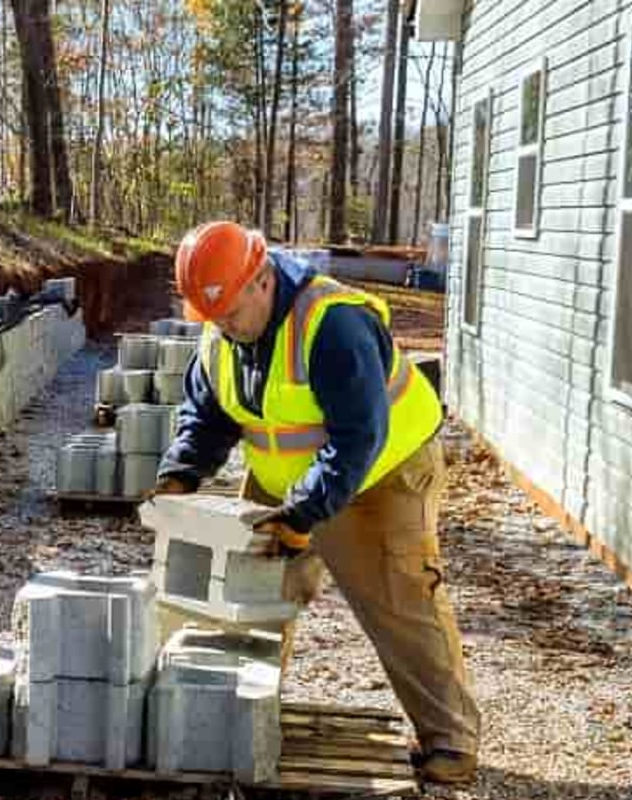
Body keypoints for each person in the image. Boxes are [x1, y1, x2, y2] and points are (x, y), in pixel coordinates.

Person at [151, 220, 481, 785]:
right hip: (286, 479)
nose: (225, 327)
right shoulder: (221, 332)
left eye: (232, 313)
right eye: (214, 317)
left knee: (400, 601)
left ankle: (450, 740)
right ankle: (239, 717)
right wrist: (180, 473)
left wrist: (305, 513)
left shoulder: (333, 325)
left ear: (262, 280)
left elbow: (358, 438)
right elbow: (207, 414)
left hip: (382, 472)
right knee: (248, 595)